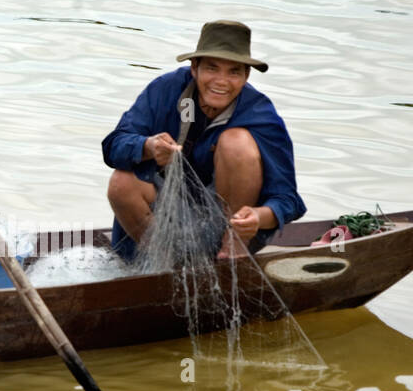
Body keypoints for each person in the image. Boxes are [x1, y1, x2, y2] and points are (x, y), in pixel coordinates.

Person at [102, 19, 306, 261]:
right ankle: (165, 265)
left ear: (246, 75)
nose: (221, 81)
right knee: (121, 182)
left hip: (226, 227)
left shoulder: (261, 114)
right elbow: (113, 146)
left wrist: (257, 217)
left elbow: (288, 200)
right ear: (194, 68)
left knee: (236, 143)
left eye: (234, 72)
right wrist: (148, 147)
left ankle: (230, 251)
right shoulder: (165, 89)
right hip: (162, 224)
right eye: (212, 68)